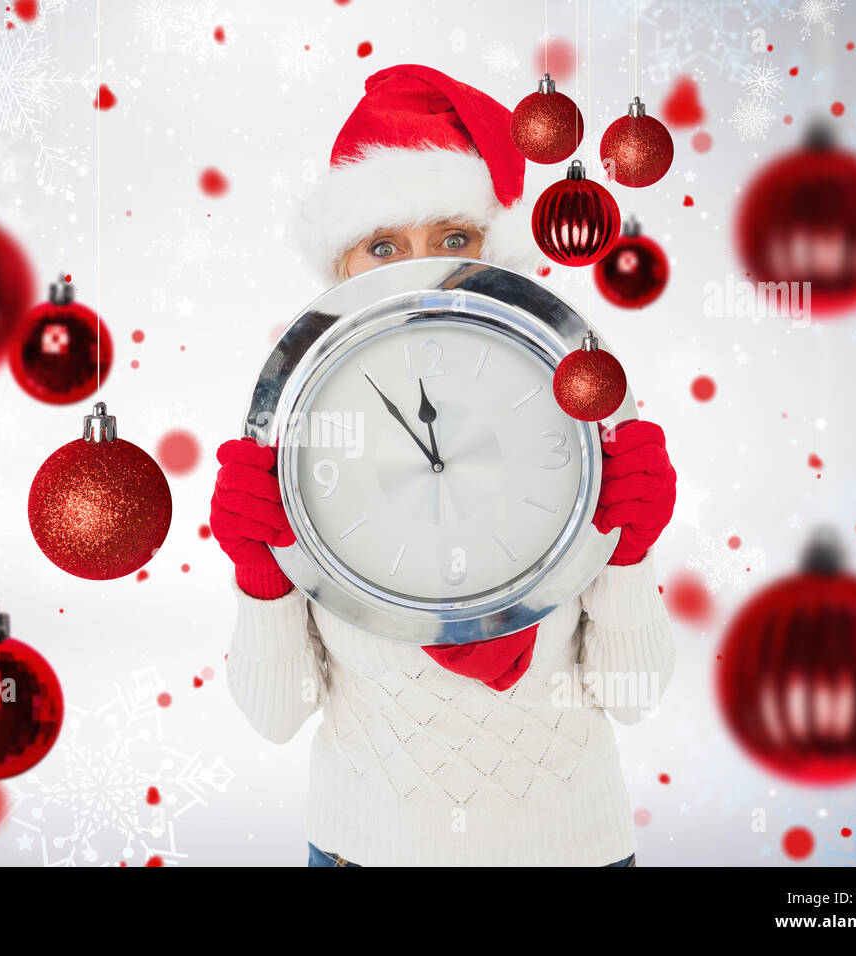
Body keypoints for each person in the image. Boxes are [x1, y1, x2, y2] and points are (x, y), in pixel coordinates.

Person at [210, 64, 677, 867]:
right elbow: (277, 717)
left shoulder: (572, 397)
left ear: (494, 250)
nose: (415, 270)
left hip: (574, 850)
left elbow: (634, 699)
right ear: (340, 268)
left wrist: (628, 553)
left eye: (453, 239)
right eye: (383, 245)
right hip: (366, 850)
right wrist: (262, 578)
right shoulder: (298, 434)